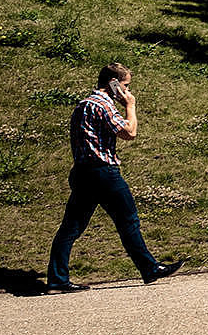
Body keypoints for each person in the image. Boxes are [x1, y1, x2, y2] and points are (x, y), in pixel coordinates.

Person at [46, 63, 179, 291]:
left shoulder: (83, 105)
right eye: (126, 85)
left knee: (71, 228)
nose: (128, 90)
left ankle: (57, 278)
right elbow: (129, 133)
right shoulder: (103, 105)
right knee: (128, 221)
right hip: (104, 172)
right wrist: (130, 106)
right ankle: (149, 268)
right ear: (113, 84)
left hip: (82, 172)